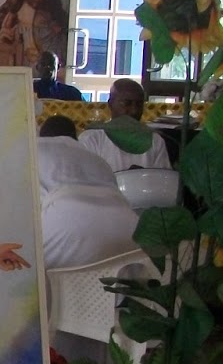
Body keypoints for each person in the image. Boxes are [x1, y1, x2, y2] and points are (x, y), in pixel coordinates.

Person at [36, 114, 139, 269]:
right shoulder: (97, 159)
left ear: (41, 135)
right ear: (75, 137)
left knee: (29, 271)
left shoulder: (34, 152)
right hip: (128, 227)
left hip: (67, 226)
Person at [79, 77, 172, 170]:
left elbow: (162, 180)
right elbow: (85, 179)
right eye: (126, 103)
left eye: (139, 104)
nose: (134, 111)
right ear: (110, 104)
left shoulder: (155, 141)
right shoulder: (91, 139)